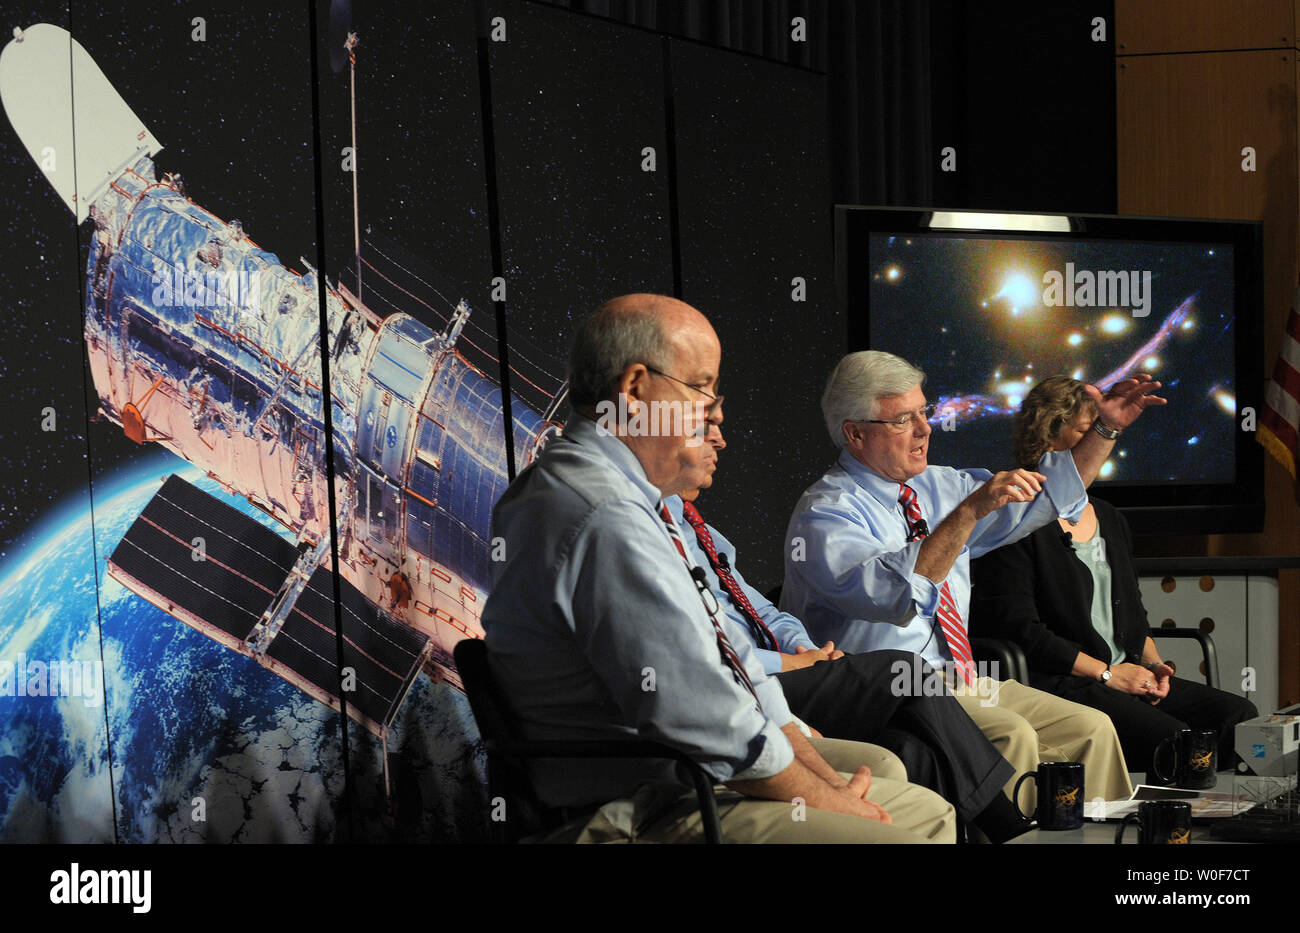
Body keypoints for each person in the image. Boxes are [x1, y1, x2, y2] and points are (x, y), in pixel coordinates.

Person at [482, 295, 955, 843]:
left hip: (678, 778)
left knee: (906, 801)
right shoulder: (603, 513)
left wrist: (827, 783)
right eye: (702, 386)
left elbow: (735, 664)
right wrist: (830, 802)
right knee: (916, 824)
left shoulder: (628, 501)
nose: (717, 413)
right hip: (644, 800)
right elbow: (700, 711)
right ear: (636, 389)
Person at [782, 350, 1166, 804]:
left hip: (961, 677)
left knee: (1092, 728)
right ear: (855, 433)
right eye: (903, 419)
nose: (925, 428)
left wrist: (1105, 430)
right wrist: (967, 513)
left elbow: (1043, 500)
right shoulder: (826, 512)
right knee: (1012, 735)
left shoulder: (936, 484)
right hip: (891, 692)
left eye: (923, 411)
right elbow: (895, 594)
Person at [667, 487, 1038, 842]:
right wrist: (787, 661)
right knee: (900, 672)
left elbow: (759, 608)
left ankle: (990, 833)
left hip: (793, 669)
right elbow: (693, 651)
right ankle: (1012, 829)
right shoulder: (825, 508)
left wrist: (804, 647)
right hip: (744, 684)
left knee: (911, 746)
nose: (718, 441)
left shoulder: (695, 527)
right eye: (701, 428)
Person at [969, 374, 1258, 775]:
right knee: (1176, 742)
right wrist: (1108, 674)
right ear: (1049, 436)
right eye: (1090, 432)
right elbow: (1022, 633)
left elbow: (1132, 616)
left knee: (1239, 717)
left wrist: (1156, 669)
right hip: (1064, 679)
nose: (1101, 449)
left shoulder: (1109, 516)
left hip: (1125, 673)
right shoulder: (1011, 521)